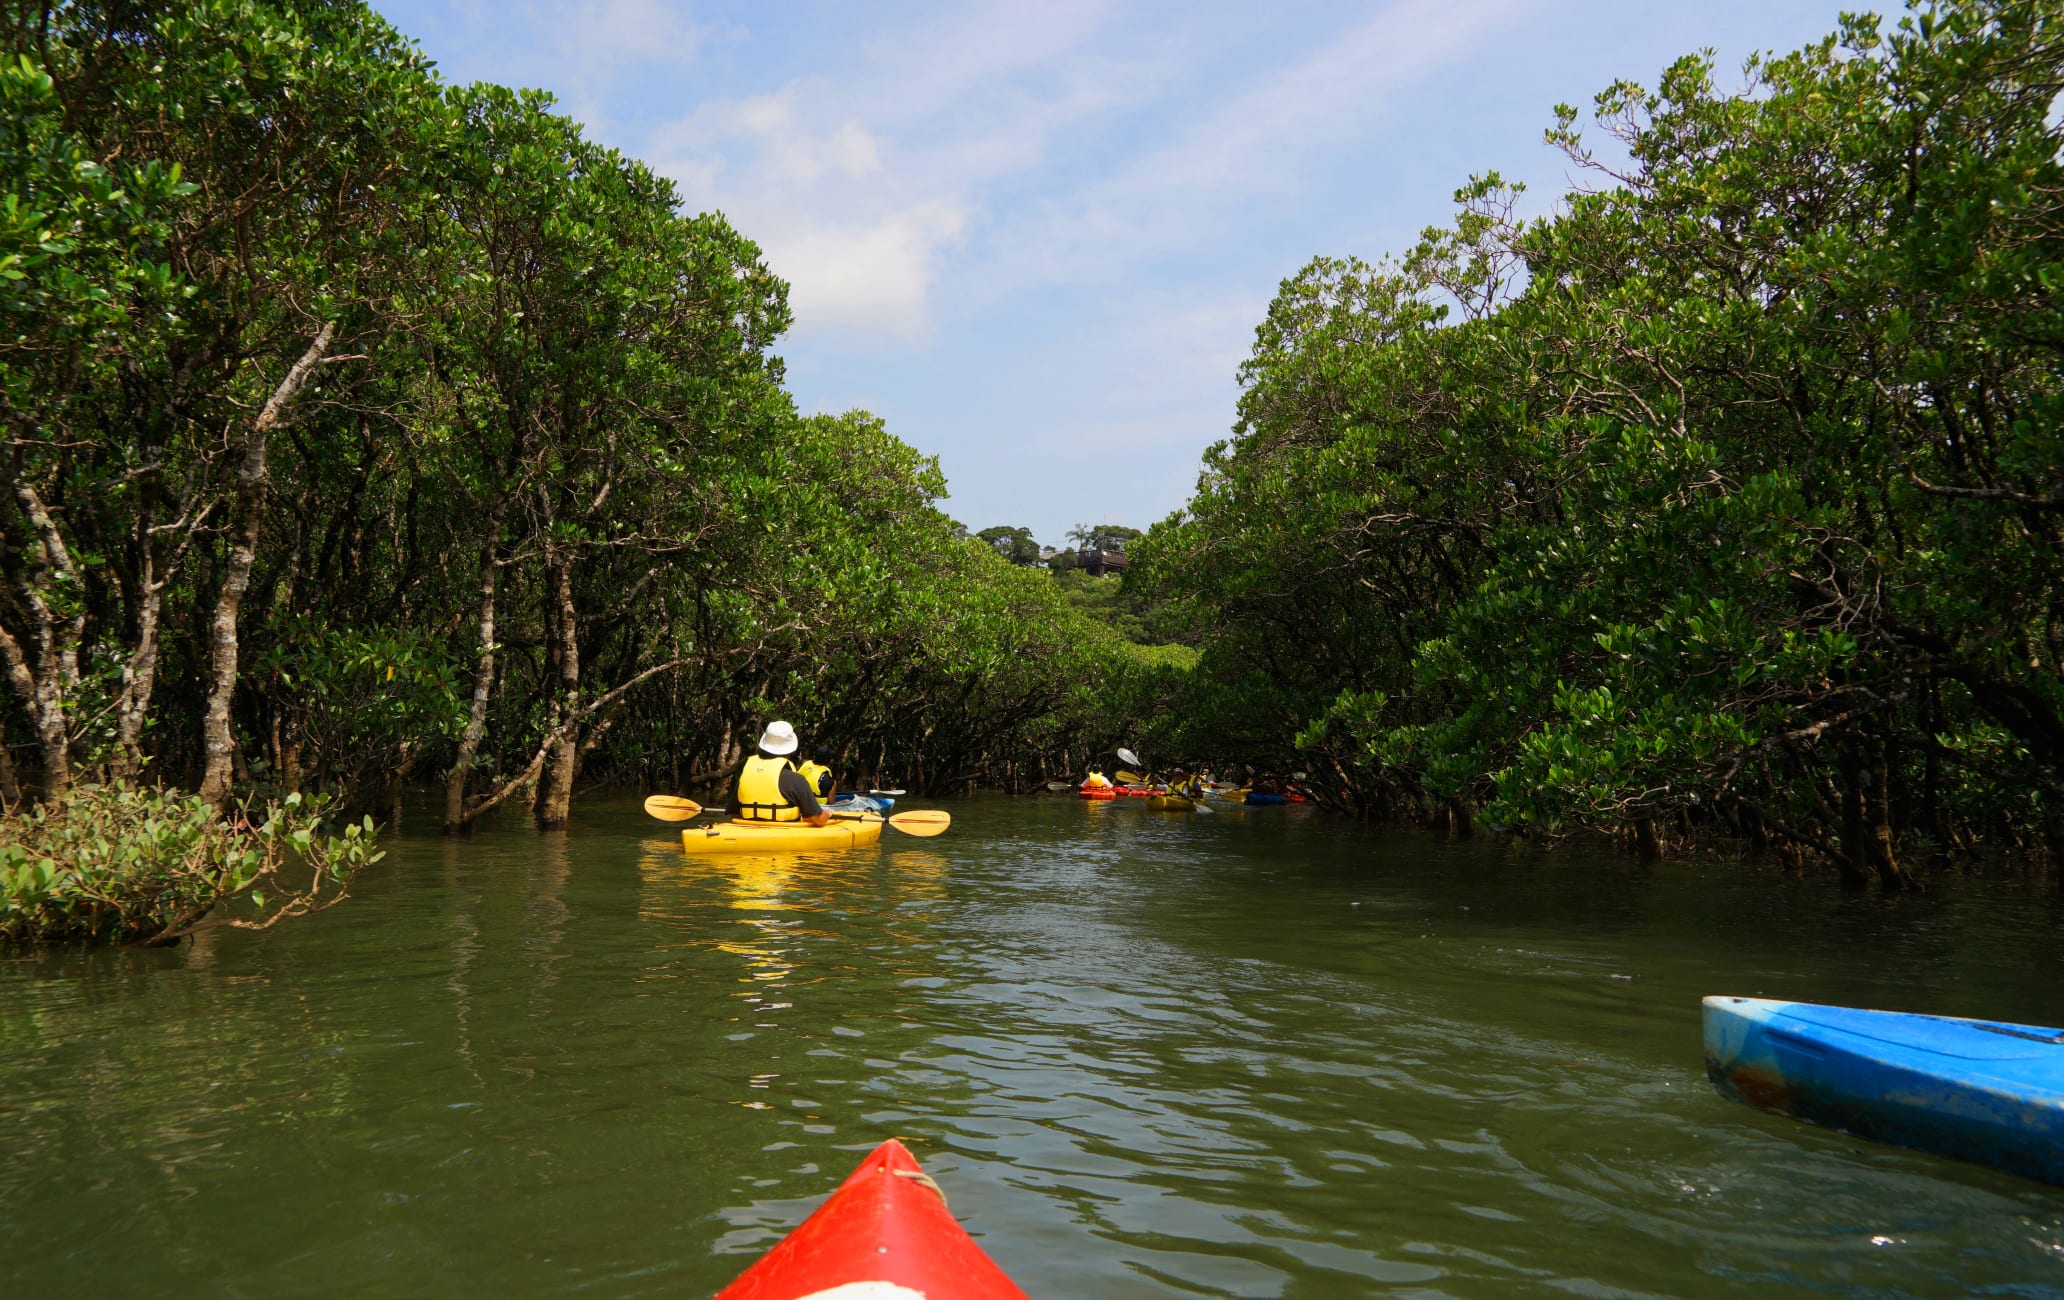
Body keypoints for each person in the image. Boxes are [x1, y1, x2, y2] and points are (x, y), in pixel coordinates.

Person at [733, 721, 831, 827]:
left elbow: (734, 814)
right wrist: (828, 813)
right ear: (791, 749)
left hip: (747, 831)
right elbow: (819, 820)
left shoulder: (745, 775)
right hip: (785, 833)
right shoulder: (796, 780)